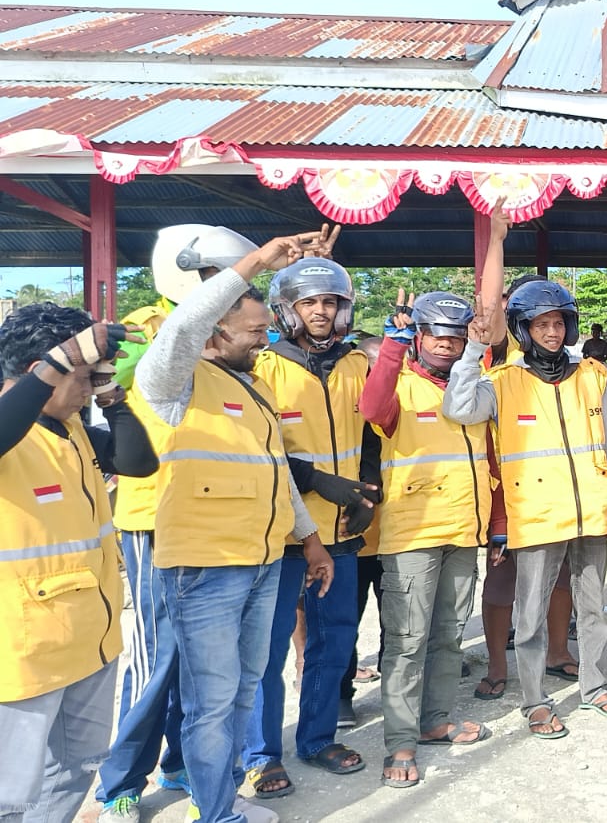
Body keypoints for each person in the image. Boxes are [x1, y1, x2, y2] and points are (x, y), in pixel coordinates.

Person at [129, 232, 334, 823]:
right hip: (205, 568)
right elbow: (182, 325)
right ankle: (217, 814)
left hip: (262, 562)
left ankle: (216, 799)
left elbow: (277, 477)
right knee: (212, 703)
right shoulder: (173, 379)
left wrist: (311, 540)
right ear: (215, 331)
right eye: (253, 331)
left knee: (242, 692)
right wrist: (253, 265)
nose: (264, 338)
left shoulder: (254, 388)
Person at [97, 223, 259, 822]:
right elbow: (179, 338)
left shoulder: (236, 344)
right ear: (193, 276)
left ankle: (183, 766)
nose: (241, 292)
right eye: (228, 278)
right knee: (156, 659)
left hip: (209, 525)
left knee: (205, 665)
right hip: (153, 520)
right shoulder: (149, 330)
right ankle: (120, 783)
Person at [443, 279, 607, 739]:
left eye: (558, 323)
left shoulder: (592, 374)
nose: (551, 332)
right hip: (536, 515)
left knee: (592, 611)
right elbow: (459, 407)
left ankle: (595, 685)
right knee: (530, 617)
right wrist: (471, 351)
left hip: (590, 509)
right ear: (523, 330)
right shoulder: (503, 381)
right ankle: (534, 700)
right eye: (541, 324)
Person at [0, 307, 154, 823]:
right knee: (9, 792)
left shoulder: (73, 431)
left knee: (72, 771)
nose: (89, 387)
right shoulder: (12, 428)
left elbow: (138, 463)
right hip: (21, 658)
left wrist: (112, 395)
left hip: (90, 640)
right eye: (84, 377)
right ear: (36, 367)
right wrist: (62, 359)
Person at [243, 259, 380, 795]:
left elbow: (371, 437)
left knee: (335, 640)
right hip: (283, 535)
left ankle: (318, 737)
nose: (321, 311)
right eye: (309, 303)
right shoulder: (263, 368)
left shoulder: (355, 365)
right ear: (288, 309)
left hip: (344, 530)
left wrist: (369, 493)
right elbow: (258, 447)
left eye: (330, 302)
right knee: (269, 648)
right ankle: (260, 753)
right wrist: (316, 480)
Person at [361, 290, 494, 787]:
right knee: (407, 641)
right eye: (436, 336)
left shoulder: (473, 387)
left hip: (463, 531)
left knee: (449, 634)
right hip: (412, 534)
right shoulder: (400, 384)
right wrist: (392, 348)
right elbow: (372, 408)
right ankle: (399, 742)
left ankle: (435, 719)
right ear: (419, 337)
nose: (445, 345)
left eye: (455, 338)